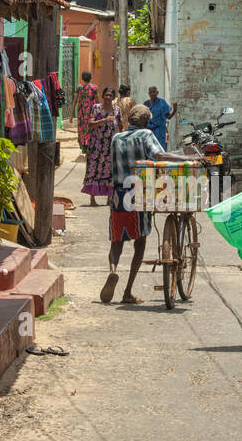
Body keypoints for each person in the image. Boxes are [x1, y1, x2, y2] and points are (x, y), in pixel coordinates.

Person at [101, 104, 203, 304]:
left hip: (118, 193)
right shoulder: (146, 135)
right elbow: (159, 156)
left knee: (117, 241)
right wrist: (187, 158)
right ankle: (128, 290)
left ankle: (113, 270)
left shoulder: (116, 138)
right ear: (147, 121)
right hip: (139, 191)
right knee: (140, 242)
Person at [80, 86, 119, 206]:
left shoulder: (117, 110)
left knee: (109, 171)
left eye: (110, 95)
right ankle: (92, 199)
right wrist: (105, 120)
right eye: (106, 95)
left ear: (113, 97)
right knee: (94, 169)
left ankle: (109, 199)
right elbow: (90, 124)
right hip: (96, 146)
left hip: (110, 146)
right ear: (103, 96)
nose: (108, 97)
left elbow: (120, 126)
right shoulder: (97, 108)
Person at [74, 71, 97, 153]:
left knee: (82, 129)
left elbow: (75, 101)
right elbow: (97, 101)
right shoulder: (94, 87)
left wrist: (71, 115)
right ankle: (89, 145)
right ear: (91, 78)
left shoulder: (79, 87)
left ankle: (84, 147)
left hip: (81, 112)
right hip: (91, 111)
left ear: (82, 78)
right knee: (90, 127)